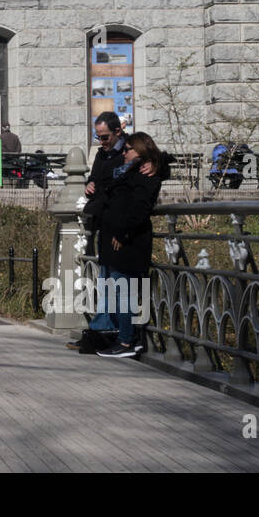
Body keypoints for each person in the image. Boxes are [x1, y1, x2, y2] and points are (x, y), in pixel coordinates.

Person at [95, 132, 166, 358]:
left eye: (128, 150)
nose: (123, 153)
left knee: (122, 290)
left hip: (130, 241)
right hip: (114, 237)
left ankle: (127, 341)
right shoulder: (128, 170)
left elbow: (139, 207)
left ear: (141, 152)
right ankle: (122, 337)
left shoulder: (146, 174)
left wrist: (124, 233)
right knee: (117, 289)